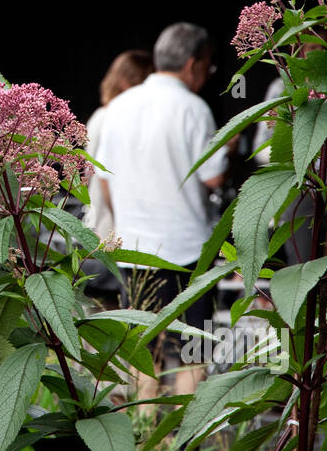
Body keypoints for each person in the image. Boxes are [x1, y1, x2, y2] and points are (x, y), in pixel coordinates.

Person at [97, 22, 229, 402]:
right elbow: (215, 178)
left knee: (143, 352)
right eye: (208, 67)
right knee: (190, 353)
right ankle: (185, 442)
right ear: (193, 64)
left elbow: (103, 179)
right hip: (187, 253)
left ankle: (142, 442)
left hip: (134, 250)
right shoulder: (193, 108)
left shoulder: (119, 106)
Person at [84, 50, 154, 241]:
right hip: (112, 226)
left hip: (107, 222)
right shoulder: (110, 117)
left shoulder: (102, 116)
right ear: (127, 82)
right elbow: (100, 174)